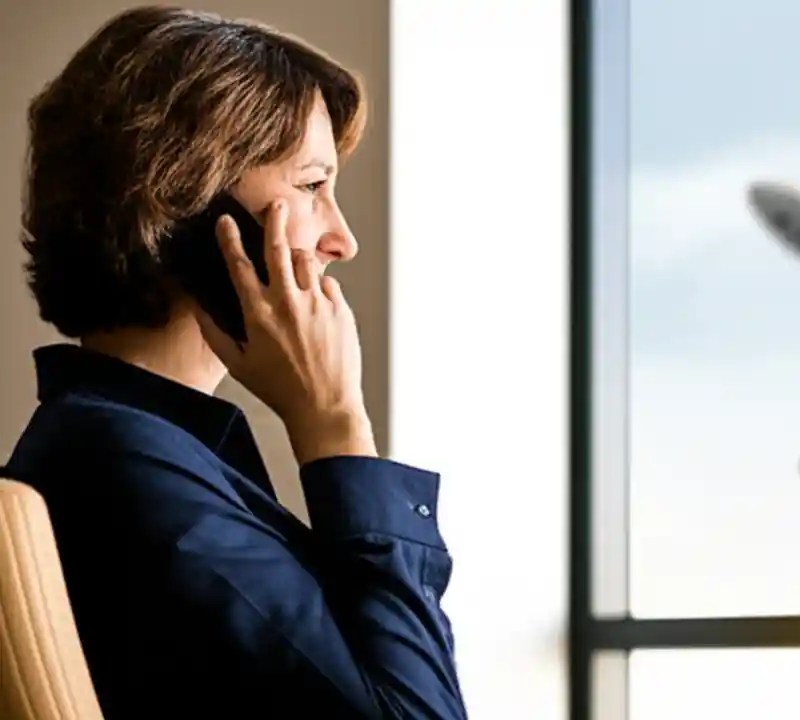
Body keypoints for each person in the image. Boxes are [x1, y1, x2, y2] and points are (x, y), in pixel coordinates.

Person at [3, 7, 467, 719]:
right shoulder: (128, 471)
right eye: (312, 187)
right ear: (185, 205)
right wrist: (337, 426)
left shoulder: (134, 453)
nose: (342, 239)